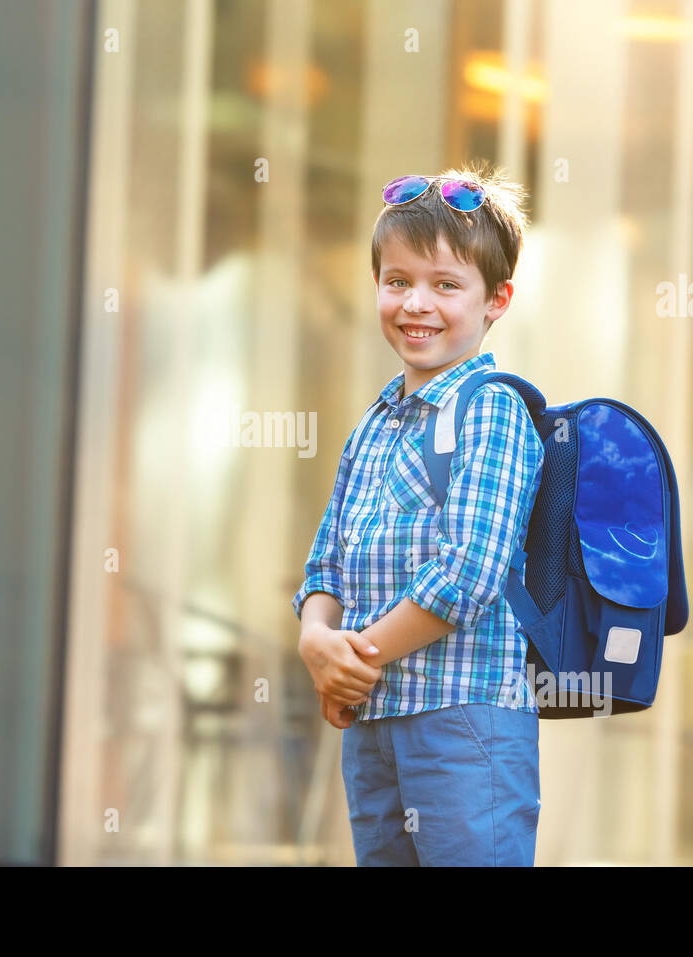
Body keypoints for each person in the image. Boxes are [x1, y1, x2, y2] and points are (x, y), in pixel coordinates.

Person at [292, 161, 545, 866]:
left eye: (446, 285)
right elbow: (327, 563)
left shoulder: (492, 408)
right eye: (397, 281)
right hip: (372, 724)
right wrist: (318, 641)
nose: (416, 304)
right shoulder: (375, 422)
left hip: (464, 726)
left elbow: (468, 574)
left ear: (497, 299)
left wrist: (353, 660)